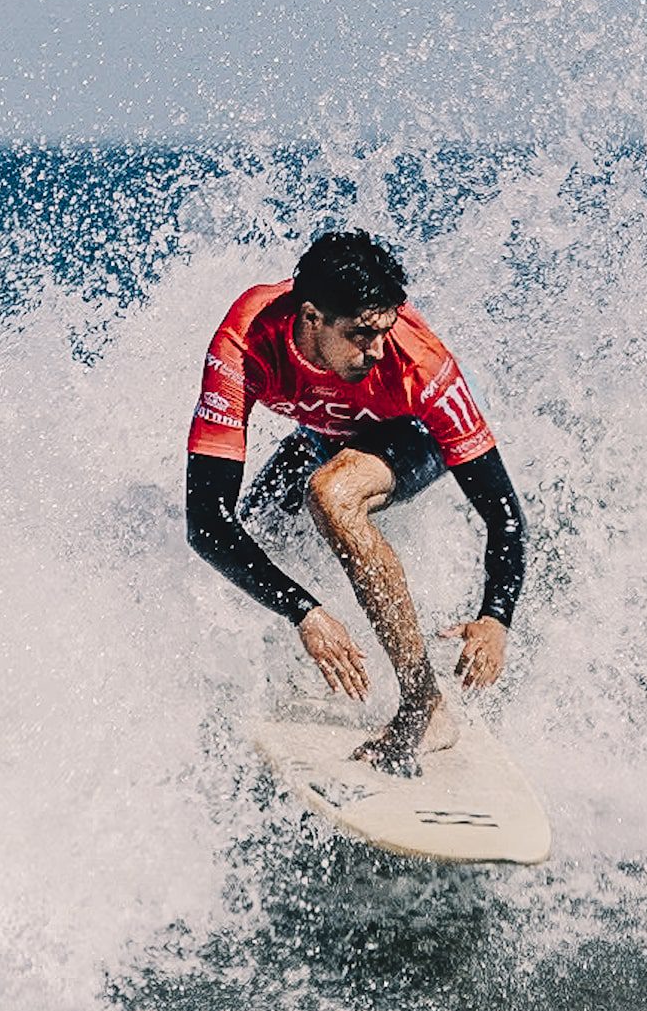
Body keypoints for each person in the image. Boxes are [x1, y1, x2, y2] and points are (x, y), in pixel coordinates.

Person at [185, 231, 526, 776]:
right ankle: (292, 662)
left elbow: (503, 515)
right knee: (252, 538)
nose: (375, 351)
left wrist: (495, 616)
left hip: (412, 432)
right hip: (324, 432)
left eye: (384, 331)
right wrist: (304, 610)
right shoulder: (246, 341)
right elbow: (207, 524)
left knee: (332, 493)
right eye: (361, 334)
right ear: (312, 317)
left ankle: (424, 702)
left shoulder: (419, 366)